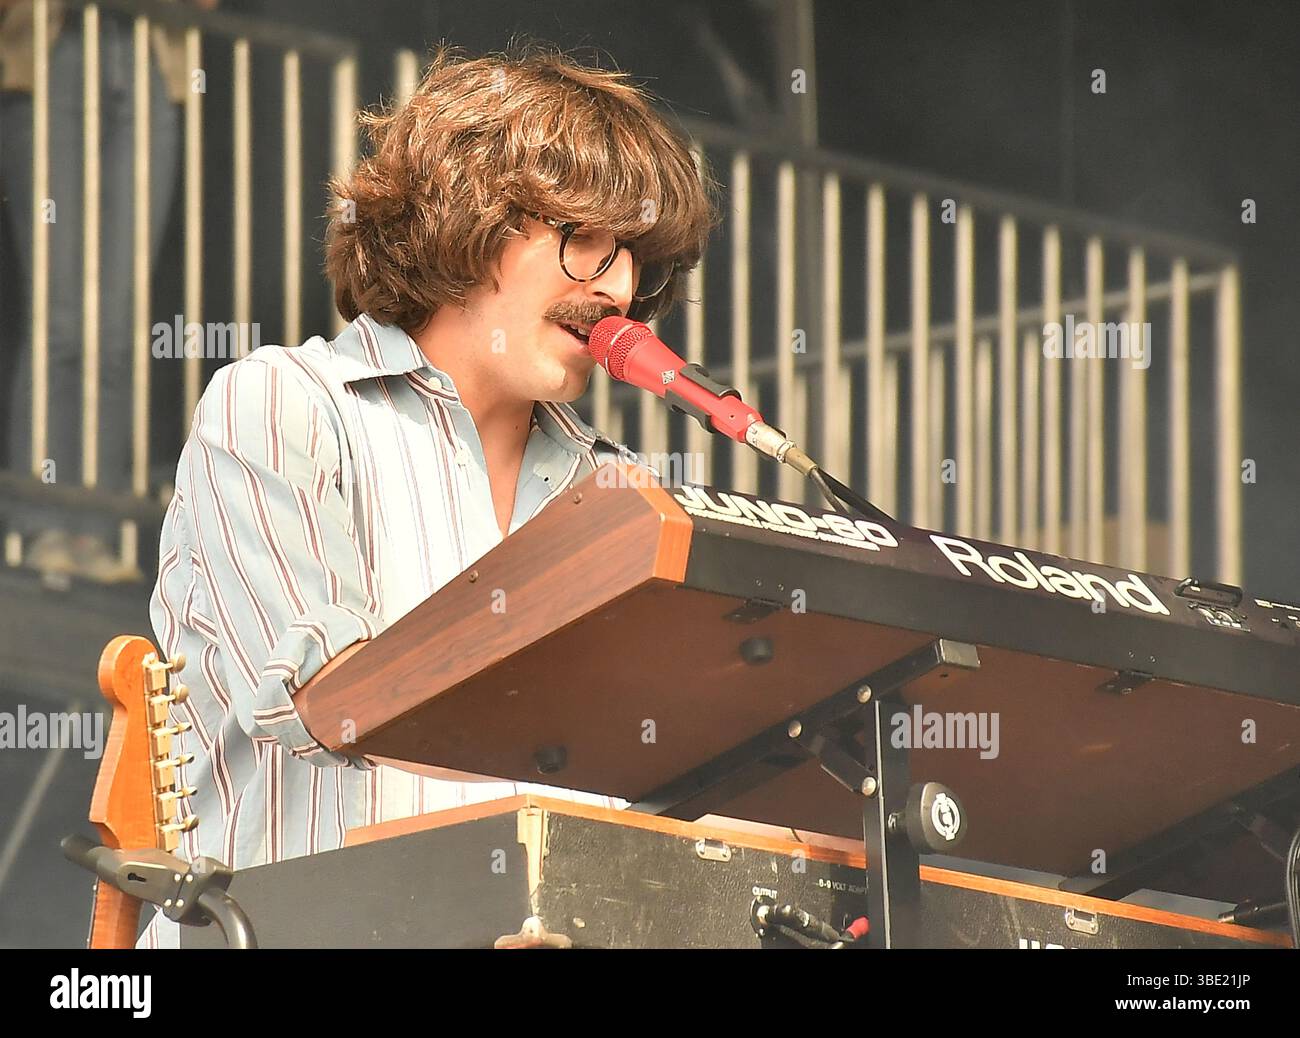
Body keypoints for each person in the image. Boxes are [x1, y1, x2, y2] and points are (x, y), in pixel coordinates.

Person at [137, 45, 715, 947]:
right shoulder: (283, 405)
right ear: (467, 220)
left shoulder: (614, 493)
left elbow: (655, 784)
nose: (618, 287)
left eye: (635, 256)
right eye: (586, 237)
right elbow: (322, 706)